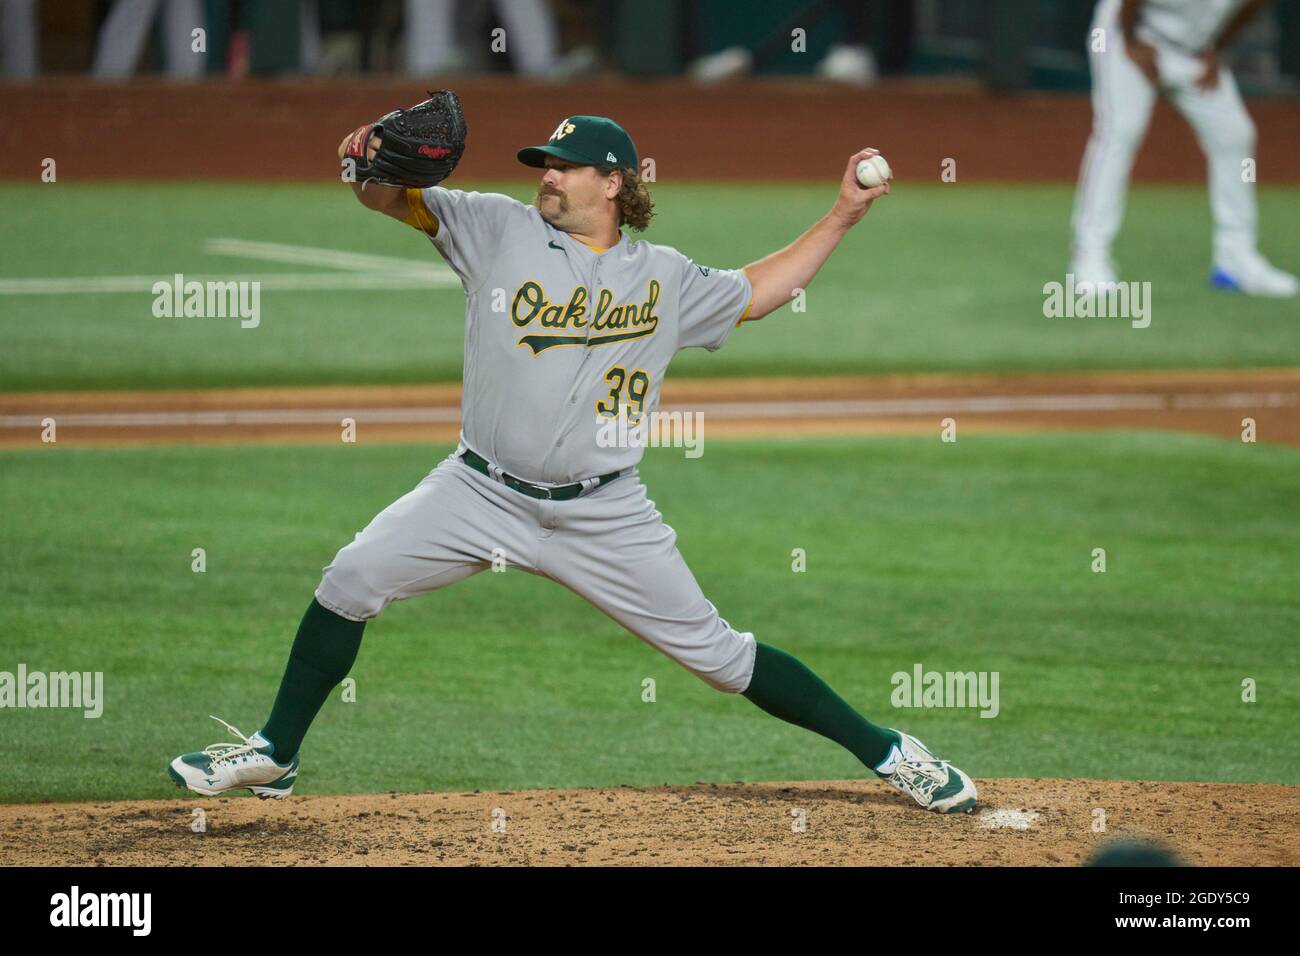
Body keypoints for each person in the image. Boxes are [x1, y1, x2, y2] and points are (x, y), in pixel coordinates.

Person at [167, 112, 977, 816]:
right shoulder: (494, 228)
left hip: (604, 512)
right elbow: (386, 196)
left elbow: (758, 291)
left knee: (722, 658)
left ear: (614, 182)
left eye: (563, 166)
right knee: (349, 579)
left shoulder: (665, 277)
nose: (546, 177)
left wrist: (840, 214)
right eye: (543, 165)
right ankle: (277, 752)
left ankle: (890, 752)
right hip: (477, 491)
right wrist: (363, 162)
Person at [1071, 0, 1297, 296]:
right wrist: (1131, 42)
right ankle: (1089, 255)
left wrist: (1218, 49)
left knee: (1235, 136)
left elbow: (1252, 7)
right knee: (1119, 133)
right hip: (1128, 35)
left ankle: (1236, 257)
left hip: (1192, 50)